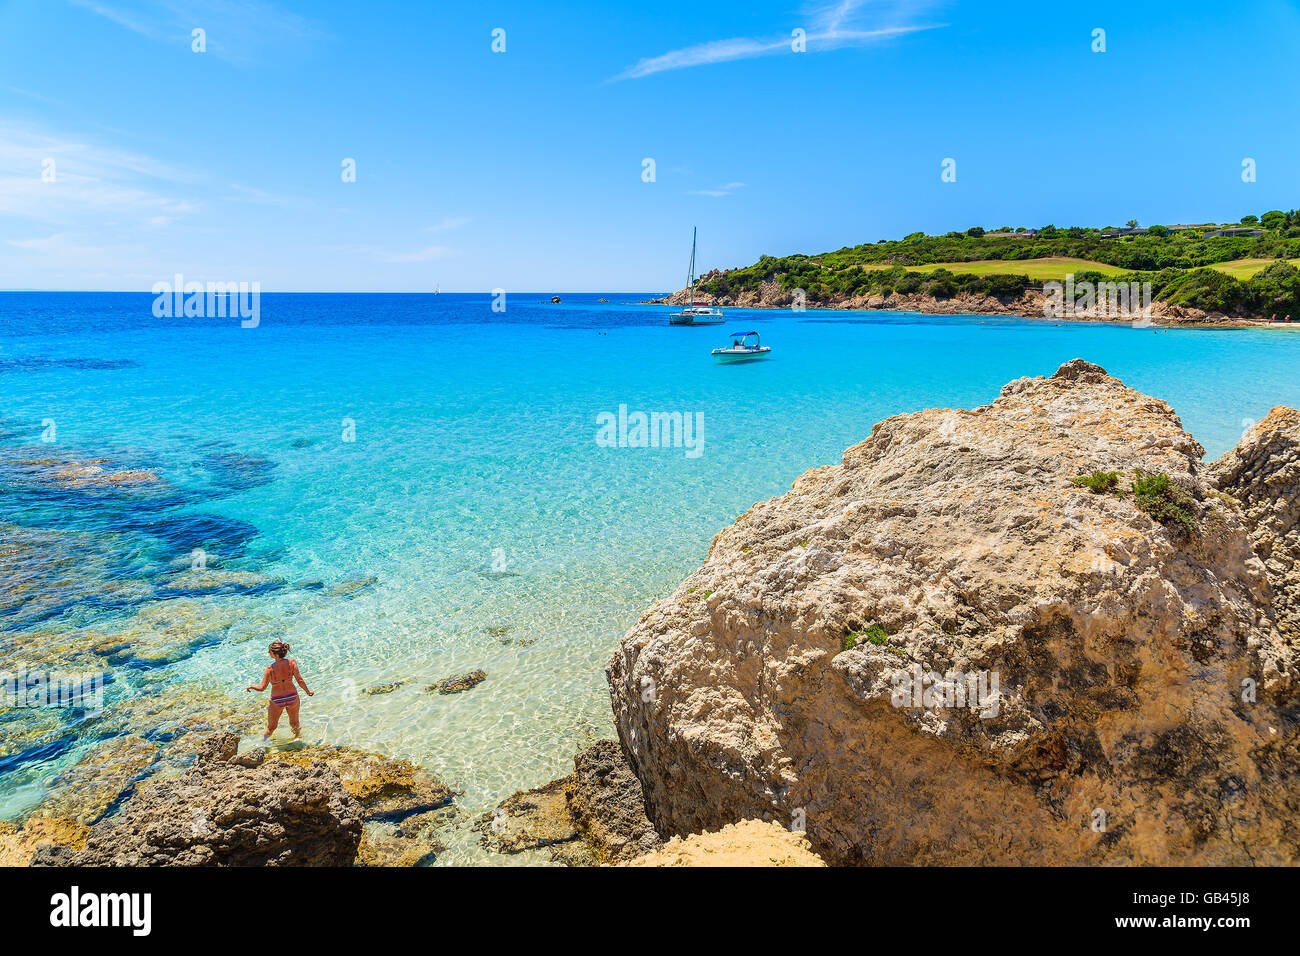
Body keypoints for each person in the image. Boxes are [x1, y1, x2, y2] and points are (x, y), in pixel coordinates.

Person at [246, 640, 313, 739]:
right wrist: (308, 692)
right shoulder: (292, 662)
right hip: (292, 697)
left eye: (270, 651)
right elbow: (300, 680)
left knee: (271, 727)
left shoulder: (270, 669)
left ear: (275, 654)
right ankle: (298, 739)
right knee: (295, 723)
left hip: (277, 700)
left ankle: (264, 745)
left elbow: (262, 688)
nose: (269, 653)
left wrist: (251, 686)